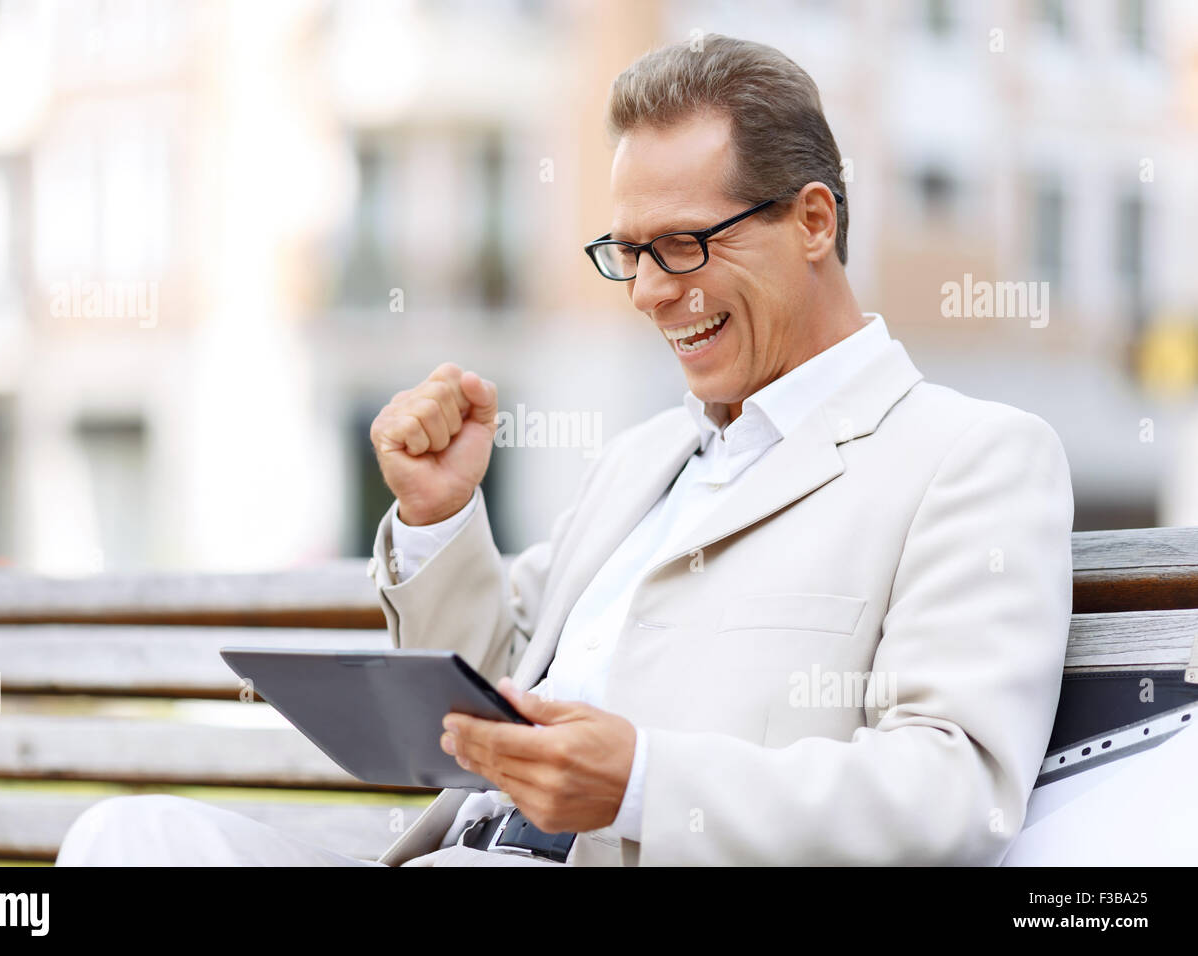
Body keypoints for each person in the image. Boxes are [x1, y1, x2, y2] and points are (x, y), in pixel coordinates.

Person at [57, 34, 1073, 867]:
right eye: (628, 253)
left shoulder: (969, 457)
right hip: (458, 855)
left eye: (684, 243)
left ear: (812, 220)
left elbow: (954, 788)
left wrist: (643, 783)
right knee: (129, 836)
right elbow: (489, 698)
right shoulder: (639, 462)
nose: (647, 290)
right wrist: (439, 516)